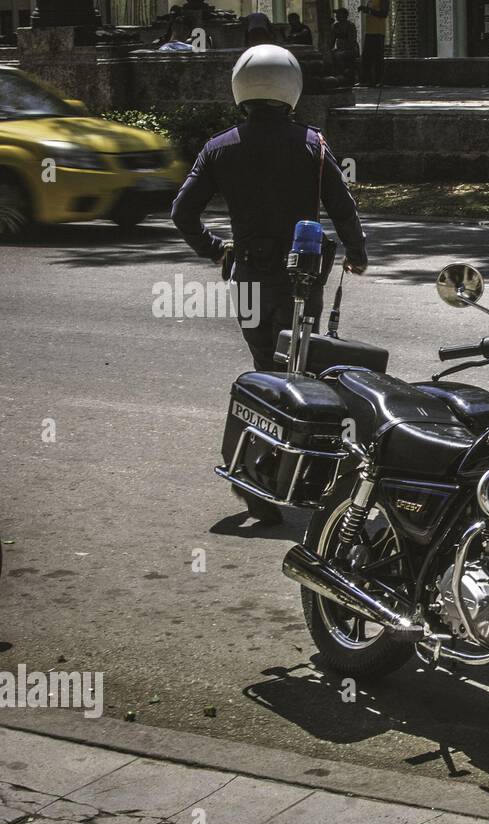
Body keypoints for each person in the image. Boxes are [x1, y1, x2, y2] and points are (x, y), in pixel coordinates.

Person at [170, 45, 368, 523]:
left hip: (250, 281)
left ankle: (261, 478)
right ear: (291, 89)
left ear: (241, 86)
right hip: (303, 281)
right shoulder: (313, 145)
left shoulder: (219, 148)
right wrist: (357, 254)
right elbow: (342, 207)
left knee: (264, 368)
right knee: (300, 371)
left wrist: (216, 248)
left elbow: (182, 212)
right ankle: (303, 473)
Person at [358, 0, 389, 87]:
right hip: (369, 31)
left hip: (378, 31)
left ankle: (378, 80)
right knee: (366, 57)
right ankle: (368, 81)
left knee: (377, 57)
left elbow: (384, 13)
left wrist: (368, 10)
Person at [330, 7, 360, 85]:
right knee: (332, 54)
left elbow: (352, 42)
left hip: (351, 49)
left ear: (345, 15)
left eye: (339, 14)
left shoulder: (350, 26)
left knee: (339, 55)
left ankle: (345, 73)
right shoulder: (335, 26)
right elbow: (332, 41)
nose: (336, 16)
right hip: (340, 49)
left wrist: (342, 49)